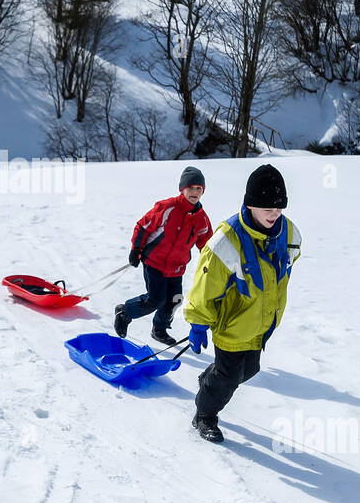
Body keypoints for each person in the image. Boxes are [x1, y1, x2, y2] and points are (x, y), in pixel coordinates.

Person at [183, 164, 302, 443]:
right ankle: (204, 414)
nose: (274, 214)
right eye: (267, 209)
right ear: (250, 206)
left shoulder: (288, 234)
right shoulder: (226, 241)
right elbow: (205, 287)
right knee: (228, 377)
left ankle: (210, 381)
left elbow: (288, 262)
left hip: (260, 323)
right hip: (232, 325)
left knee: (249, 370)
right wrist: (198, 323)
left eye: (279, 208)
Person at [115, 166, 213, 347]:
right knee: (155, 299)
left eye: (198, 189)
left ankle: (159, 329)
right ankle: (124, 312)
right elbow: (143, 227)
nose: (194, 192)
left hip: (177, 267)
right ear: (182, 189)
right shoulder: (167, 208)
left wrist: (214, 266)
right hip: (155, 262)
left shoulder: (202, 219)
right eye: (190, 188)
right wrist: (135, 250)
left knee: (174, 300)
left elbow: (207, 245)